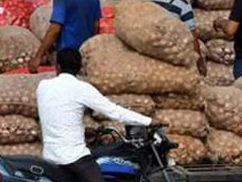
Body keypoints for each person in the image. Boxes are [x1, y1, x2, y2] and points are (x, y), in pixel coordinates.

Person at [37, 49, 155, 182]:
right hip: (74, 159)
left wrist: (84, 130)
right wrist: (148, 121)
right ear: (80, 67)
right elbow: (114, 111)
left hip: (50, 157)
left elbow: (58, 113)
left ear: (57, 66)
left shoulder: (43, 86)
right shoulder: (81, 88)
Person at [29, 0, 100, 72]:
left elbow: (55, 28)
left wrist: (38, 56)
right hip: (86, 52)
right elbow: (96, 25)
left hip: (67, 55)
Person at [143, 0, 207, 76]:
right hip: (170, 54)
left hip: (148, 52)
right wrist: (199, 62)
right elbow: (192, 36)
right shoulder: (182, 3)